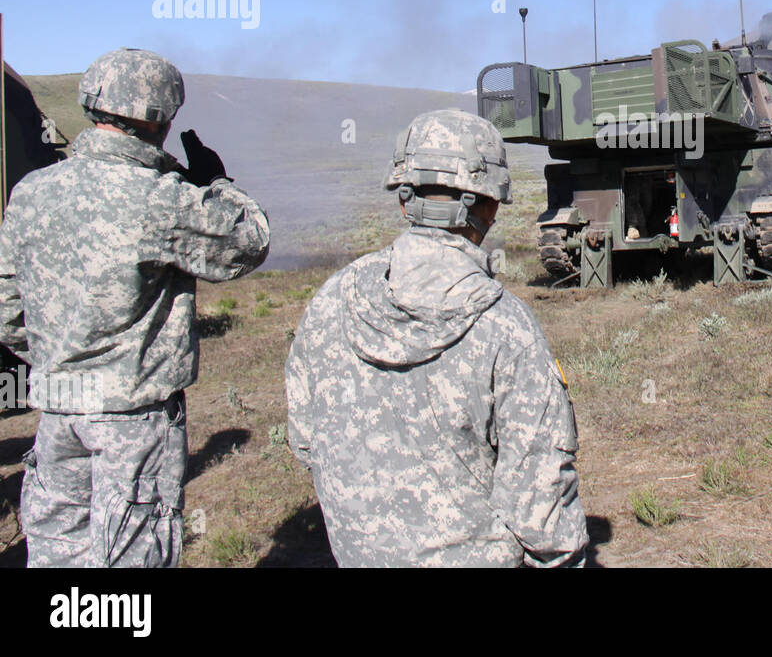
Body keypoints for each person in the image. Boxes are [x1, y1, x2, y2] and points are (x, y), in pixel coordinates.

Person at [0, 47, 270, 567]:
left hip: (56, 413)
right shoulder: (158, 196)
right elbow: (249, 241)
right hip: (133, 421)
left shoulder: (31, 192)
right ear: (161, 118)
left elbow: (9, 310)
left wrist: (57, 359)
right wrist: (214, 182)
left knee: (58, 559)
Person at [285, 109, 588, 567]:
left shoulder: (333, 301)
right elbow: (542, 514)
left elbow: (307, 441)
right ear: (490, 204)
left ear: (404, 200)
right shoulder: (506, 328)